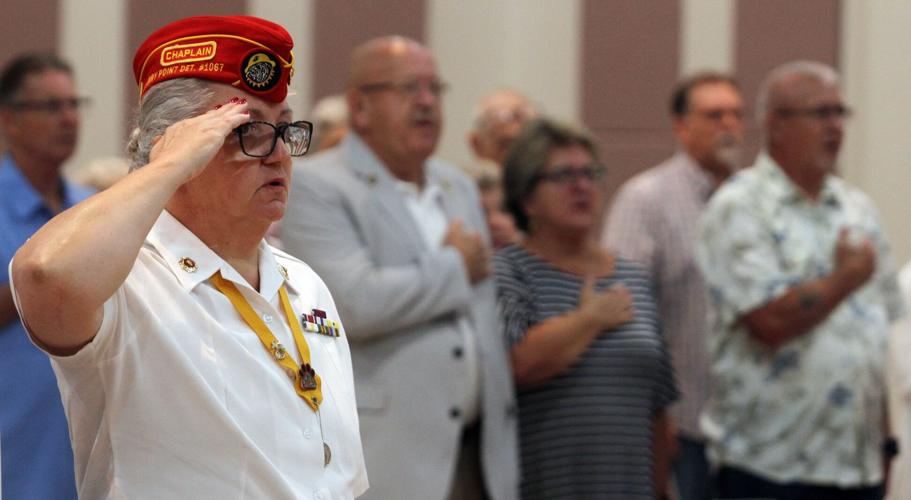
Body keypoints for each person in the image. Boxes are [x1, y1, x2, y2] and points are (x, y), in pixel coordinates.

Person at [9, 16, 367, 498]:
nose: (280, 153)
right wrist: (168, 166)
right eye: (249, 130)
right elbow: (44, 275)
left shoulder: (304, 284)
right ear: (181, 145)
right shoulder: (126, 279)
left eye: (285, 129)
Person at [282, 36, 519, 500]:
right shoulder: (317, 186)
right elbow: (352, 303)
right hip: (391, 453)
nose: (428, 102)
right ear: (360, 106)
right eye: (409, 88)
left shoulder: (456, 185)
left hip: (478, 451)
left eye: (435, 88)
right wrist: (455, 265)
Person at [696, 60, 904, 499]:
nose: (834, 127)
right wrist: (845, 278)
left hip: (855, 467)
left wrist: (886, 441)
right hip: (770, 468)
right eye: (820, 114)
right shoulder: (740, 207)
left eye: (839, 113)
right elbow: (768, 321)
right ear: (775, 123)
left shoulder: (857, 208)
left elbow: (878, 338)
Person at [494, 118, 678, 499]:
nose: (582, 186)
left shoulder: (631, 277)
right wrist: (589, 320)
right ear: (527, 198)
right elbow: (516, 364)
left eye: (590, 173)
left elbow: (658, 405)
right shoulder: (509, 271)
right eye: (563, 175)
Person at [602, 71, 744, 500]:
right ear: (680, 126)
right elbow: (623, 315)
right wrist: (647, 414)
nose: (729, 125)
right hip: (680, 427)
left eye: (736, 114)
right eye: (714, 115)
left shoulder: (754, 201)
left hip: (750, 434)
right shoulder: (646, 199)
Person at [0, 52, 93, 500]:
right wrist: (43, 282)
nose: (69, 118)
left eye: (75, 104)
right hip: (17, 446)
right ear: (9, 119)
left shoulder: (92, 207)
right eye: (51, 107)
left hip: (86, 445)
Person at [466, 89, 537, 249]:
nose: (519, 157)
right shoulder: (460, 194)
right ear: (476, 144)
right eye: (507, 145)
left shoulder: (546, 199)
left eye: (526, 146)